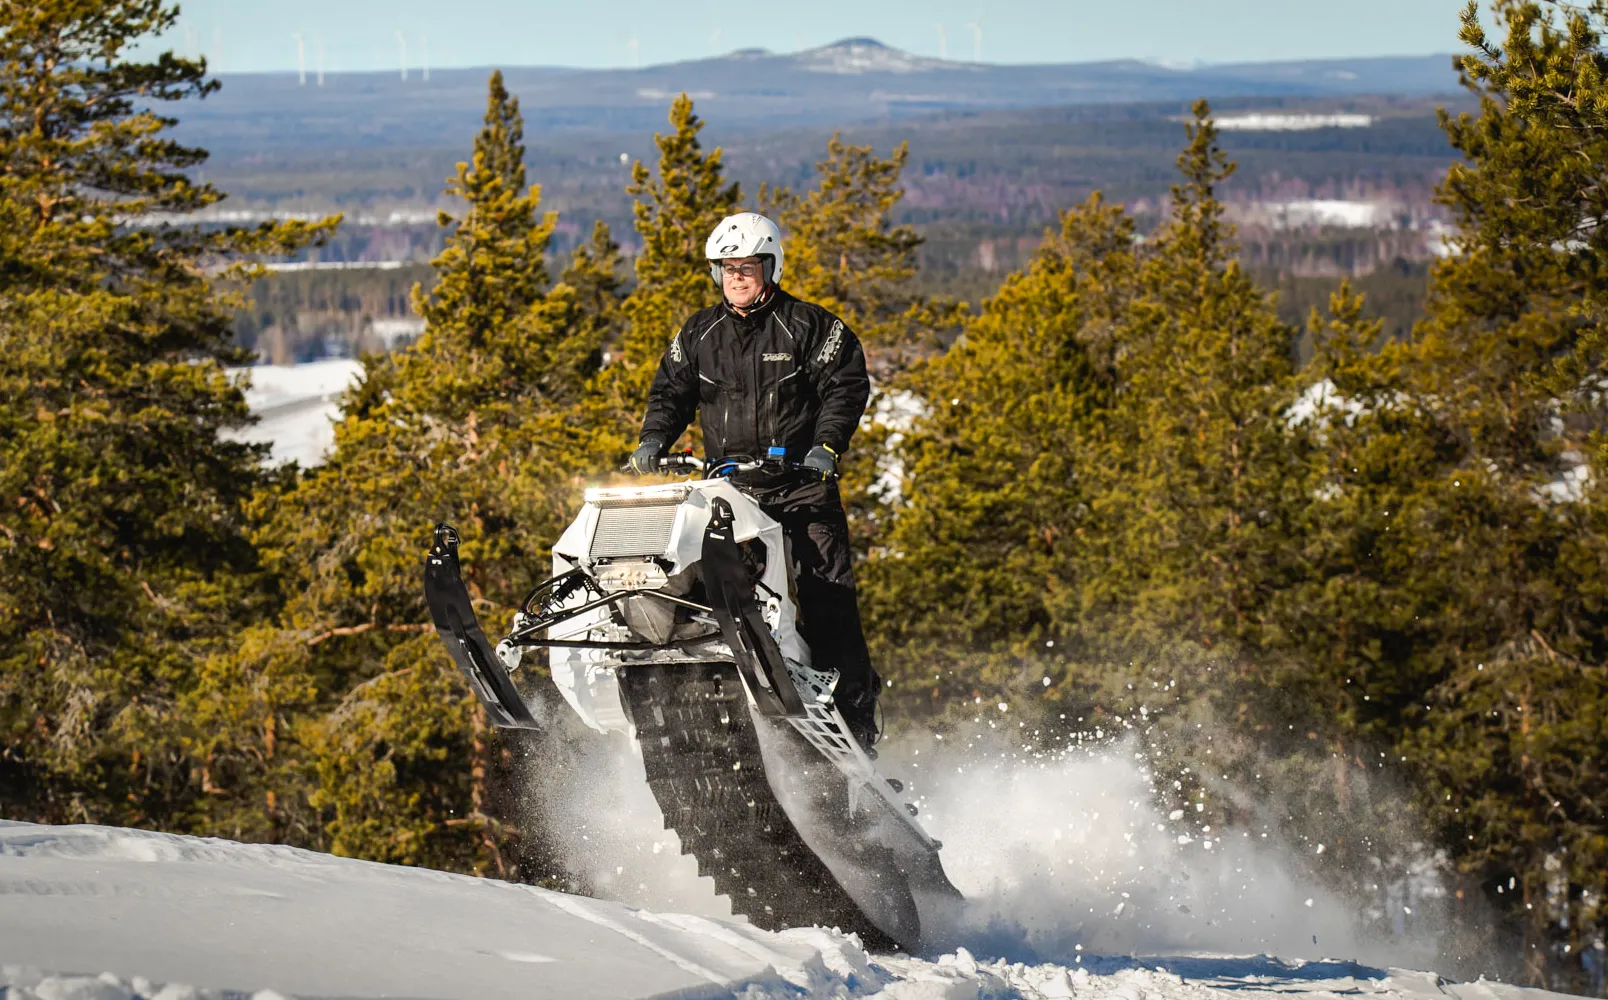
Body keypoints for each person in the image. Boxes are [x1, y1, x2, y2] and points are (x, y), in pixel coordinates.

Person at [628, 211, 882, 748]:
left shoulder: (810, 325)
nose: (737, 277)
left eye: (747, 266)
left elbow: (846, 387)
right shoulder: (699, 332)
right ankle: (697, 692)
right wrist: (653, 441)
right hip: (730, 493)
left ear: (772, 266)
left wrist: (825, 448)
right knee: (694, 579)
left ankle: (856, 721)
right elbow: (670, 394)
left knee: (827, 595)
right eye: (726, 268)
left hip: (800, 487)